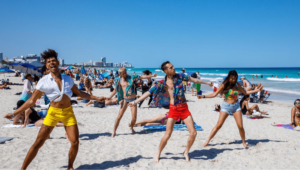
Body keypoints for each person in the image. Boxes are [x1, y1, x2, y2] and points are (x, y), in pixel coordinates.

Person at [10, 49, 104, 170]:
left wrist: (96, 97)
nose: (51, 63)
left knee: (75, 142)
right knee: (38, 142)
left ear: (58, 62)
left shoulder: (68, 79)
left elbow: (79, 92)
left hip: (68, 113)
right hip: (53, 113)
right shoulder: (44, 81)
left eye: (53, 60)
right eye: (48, 62)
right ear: (46, 66)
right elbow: (31, 101)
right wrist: (15, 113)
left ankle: (70, 167)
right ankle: (22, 169)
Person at [128, 61, 213, 162]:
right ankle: (158, 153)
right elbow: (149, 92)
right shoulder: (161, 83)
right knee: (168, 134)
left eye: (173, 66)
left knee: (193, 133)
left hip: (184, 108)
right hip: (173, 109)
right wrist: (135, 102)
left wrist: (207, 83)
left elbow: (194, 79)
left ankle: (186, 152)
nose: (173, 68)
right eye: (171, 67)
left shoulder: (180, 76)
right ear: (165, 71)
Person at [197, 70, 263, 148]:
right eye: (232, 78)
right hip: (226, 107)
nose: (233, 80)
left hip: (236, 106)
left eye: (235, 78)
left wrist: (257, 90)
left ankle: (244, 142)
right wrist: (203, 96)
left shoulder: (237, 85)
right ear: (229, 77)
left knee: (240, 126)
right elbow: (214, 94)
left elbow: (245, 92)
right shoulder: (224, 85)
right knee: (218, 125)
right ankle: (207, 141)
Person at [108, 67, 157, 138]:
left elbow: (141, 77)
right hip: (125, 99)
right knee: (119, 116)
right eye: (123, 73)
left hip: (133, 100)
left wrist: (152, 76)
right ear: (120, 73)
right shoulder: (119, 80)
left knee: (134, 118)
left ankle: (131, 128)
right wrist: (109, 97)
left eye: (125, 72)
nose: (125, 73)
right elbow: (115, 90)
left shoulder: (131, 77)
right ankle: (114, 131)